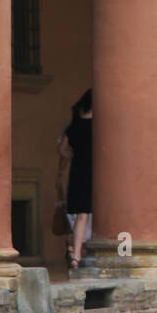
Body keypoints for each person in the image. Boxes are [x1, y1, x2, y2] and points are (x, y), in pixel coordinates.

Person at [61, 89, 92, 270]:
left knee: (81, 214)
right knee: (96, 214)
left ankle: (76, 254)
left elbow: (62, 150)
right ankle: (90, 252)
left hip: (77, 170)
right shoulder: (99, 124)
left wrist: (74, 155)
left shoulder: (75, 124)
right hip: (96, 172)